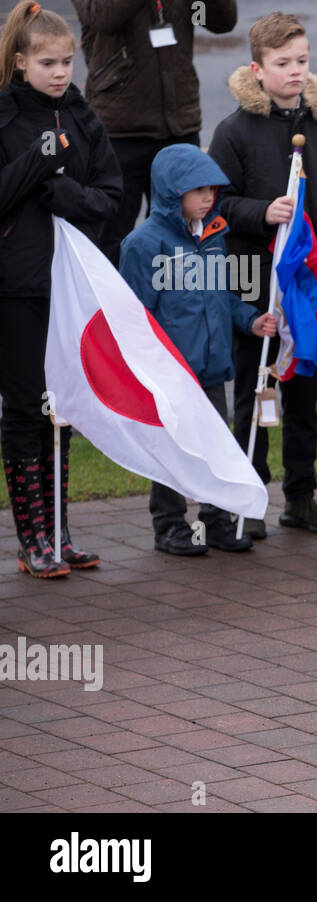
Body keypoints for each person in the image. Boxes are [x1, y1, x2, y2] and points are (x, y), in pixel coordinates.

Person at [207, 11, 317, 537]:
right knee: (255, 393)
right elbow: (214, 206)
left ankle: (301, 497)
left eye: (302, 60)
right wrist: (260, 212)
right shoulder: (233, 132)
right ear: (257, 69)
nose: (295, 71)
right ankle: (249, 501)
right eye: (282, 63)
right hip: (255, 281)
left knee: (303, 391)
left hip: (310, 285)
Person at [0, 0, 121, 578]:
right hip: (17, 285)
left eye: (68, 61)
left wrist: (64, 194)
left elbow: (110, 197)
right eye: (47, 62)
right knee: (25, 407)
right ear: (20, 62)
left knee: (62, 406)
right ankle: (31, 540)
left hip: (69, 286)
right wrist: (39, 162)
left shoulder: (81, 115)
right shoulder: (3, 116)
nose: (59, 73)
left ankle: (59, 530)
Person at [117, 144, 277, 554]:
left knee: (213, 446)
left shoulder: (213, 236)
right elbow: (135, 317)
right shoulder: (143, 244)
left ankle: (216, 519)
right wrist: (151, 369)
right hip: (170, 373)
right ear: (172, 191)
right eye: (197, 189)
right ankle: (169, 524)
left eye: (212, 188)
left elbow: (221, 295)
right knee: (171, 450)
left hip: (209, 370)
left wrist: (249, 320)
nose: (208, 197)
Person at [71, 0, 238, 266]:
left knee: (180, 233)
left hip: (179, 124)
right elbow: (104, 17)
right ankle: (113, 306)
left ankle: (170, 306)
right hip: (120, 129)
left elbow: (220, 21)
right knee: (112, 235)